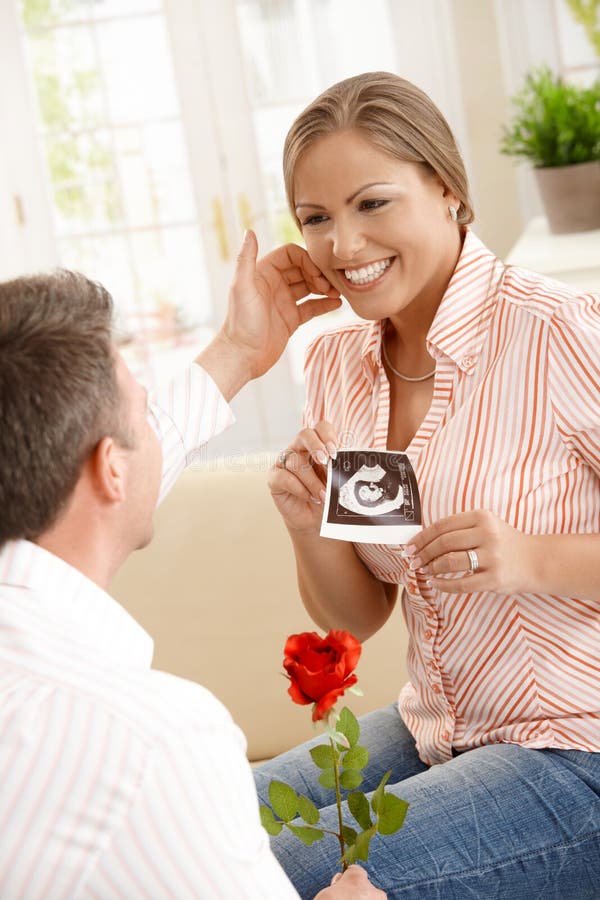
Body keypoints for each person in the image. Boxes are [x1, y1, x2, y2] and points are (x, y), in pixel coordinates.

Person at [257, 71, 600, 899]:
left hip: (577, 747)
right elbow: (360, 616)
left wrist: (532, 560)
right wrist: (310, 528)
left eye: (372, 203)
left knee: (297, 873)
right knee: (213, 826)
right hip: (440, 731)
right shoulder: (339, 366)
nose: (344, 245)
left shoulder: (555, 331)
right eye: (316, 218)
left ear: (446, 188)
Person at [0, 231, 387, 899]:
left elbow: (111, 465)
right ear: (109, 468)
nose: (157, 423)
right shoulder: (154, 741)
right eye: (144, 409)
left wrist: (238, 351)